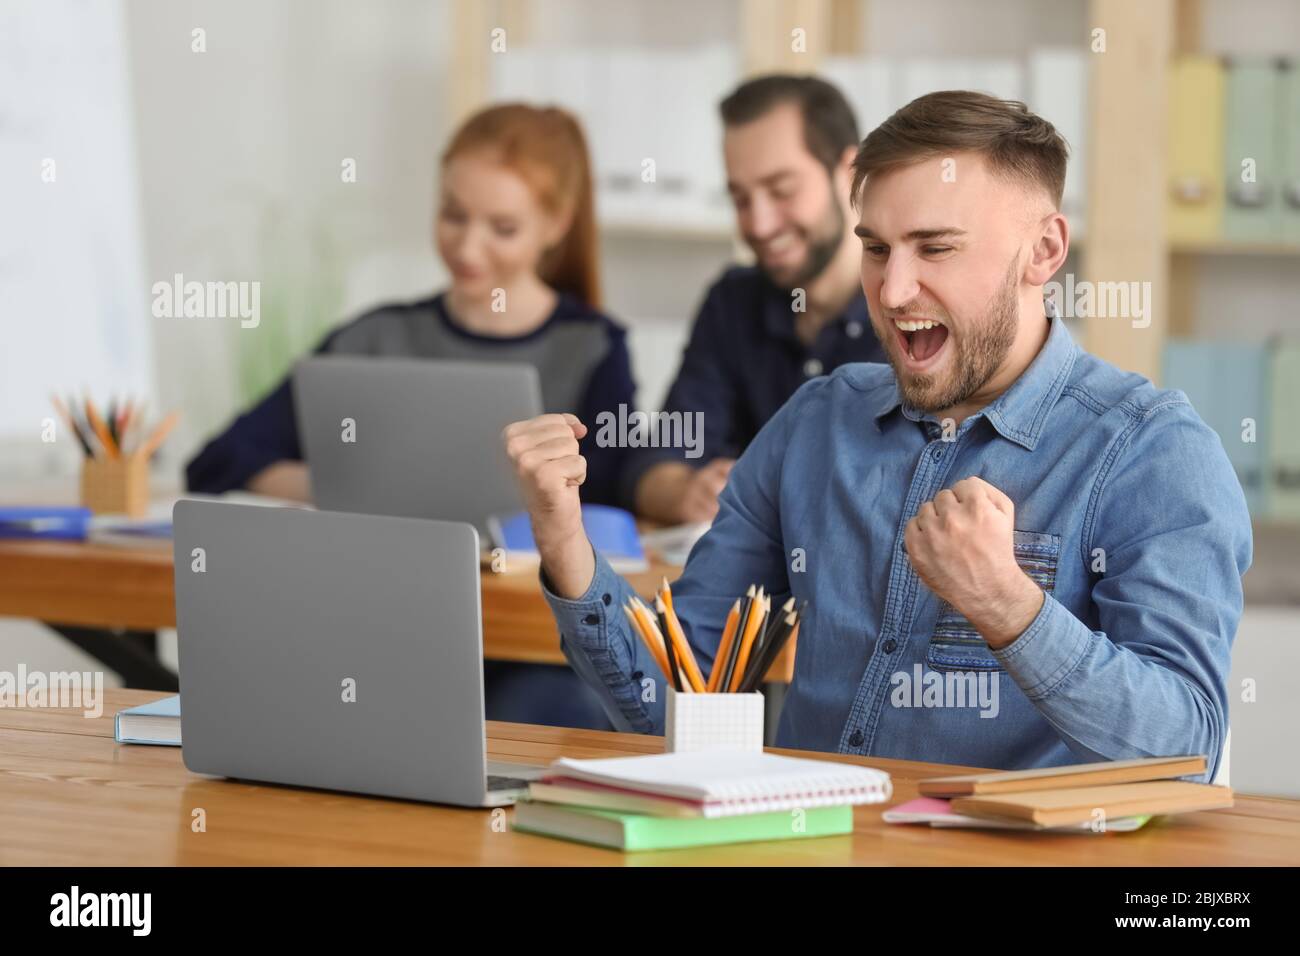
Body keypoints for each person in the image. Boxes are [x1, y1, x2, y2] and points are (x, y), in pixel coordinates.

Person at [504, 91, 1252, 782]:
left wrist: (1006, 605)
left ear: (1045, 252)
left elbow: (1184, 751)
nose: (892, 293)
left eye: (935, 249)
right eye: (876, 248)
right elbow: (669, 702)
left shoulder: (1153, 453)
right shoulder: (814, 425)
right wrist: (564, 540)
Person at [188, 103, 635, 730]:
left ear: (555, 224)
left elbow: (614, 505)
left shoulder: (593, 348)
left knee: (543, 714)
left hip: (528, 643)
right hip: (373, 626)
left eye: (502, 227)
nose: (467, 245)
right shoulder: (371, 337)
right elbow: (219, 458)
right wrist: (339, 488)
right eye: (453, 215)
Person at [625, 75, 887, 524]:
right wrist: (689, 493)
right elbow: (652, 465)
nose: (760, 224)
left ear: (851, 173)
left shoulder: (910, 314)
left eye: (782, 191)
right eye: (741, 198)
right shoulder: (733, 303)